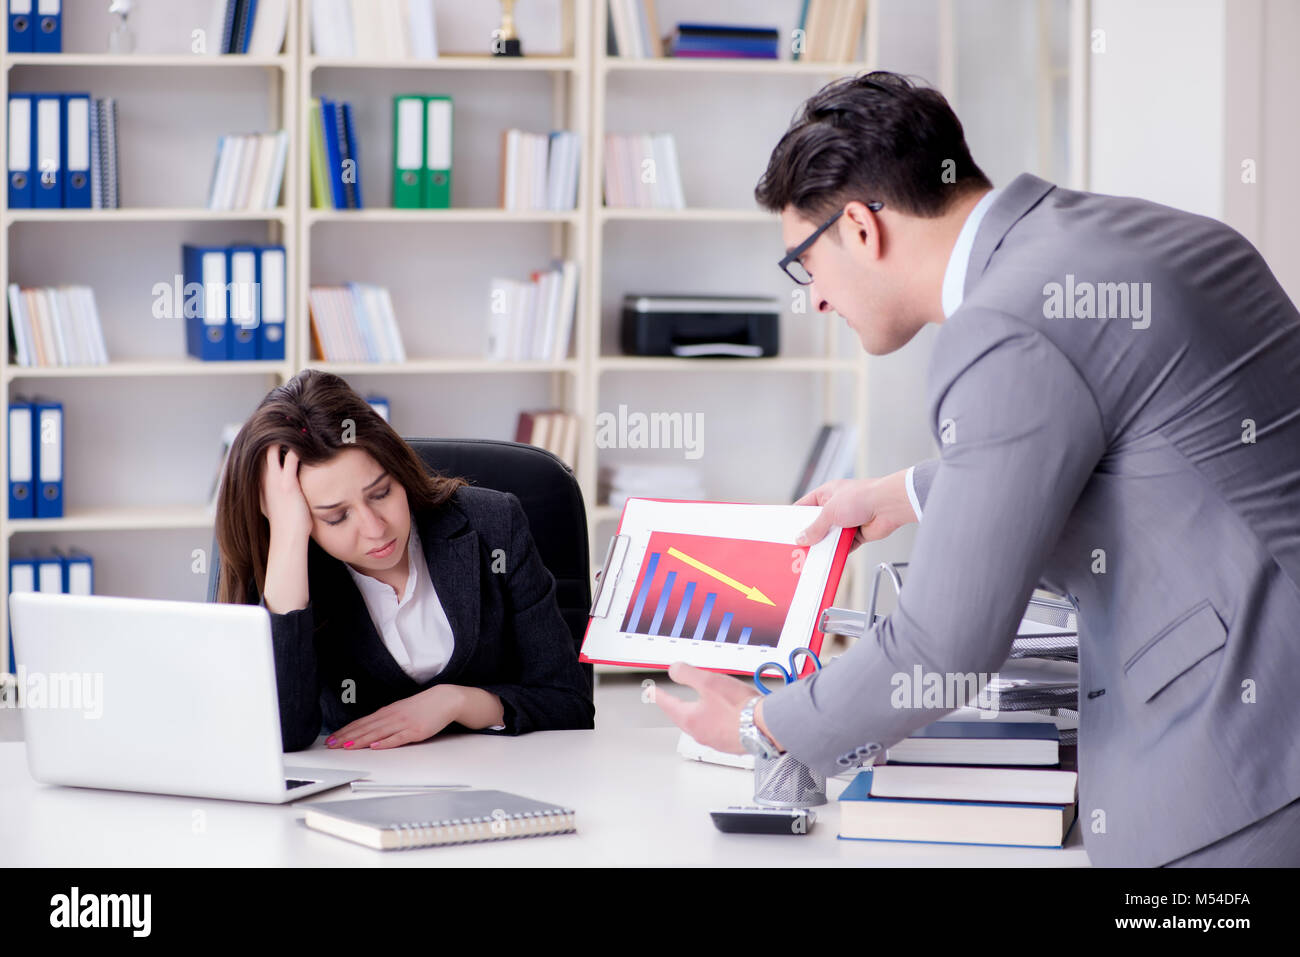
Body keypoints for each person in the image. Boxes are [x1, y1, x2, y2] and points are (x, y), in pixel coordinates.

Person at [653, 71, 1300, 867]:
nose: (814, 300)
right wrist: (907, 491)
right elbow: (1134, 431)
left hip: (1246, 780)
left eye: (802, 263)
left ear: (859, 227)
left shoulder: (1001, 326)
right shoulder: (1154, 235)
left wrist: (766, 724)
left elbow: (942, 647)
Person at [215, 369, 594, 752]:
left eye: (381, 493)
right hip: (350, 792)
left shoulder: (493, 525)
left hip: (499, 787)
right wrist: (288, 537)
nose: (374, 528)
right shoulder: (282, 568)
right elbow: (283, 736)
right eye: (336, 516)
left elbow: (570, 704)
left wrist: (458, 701)